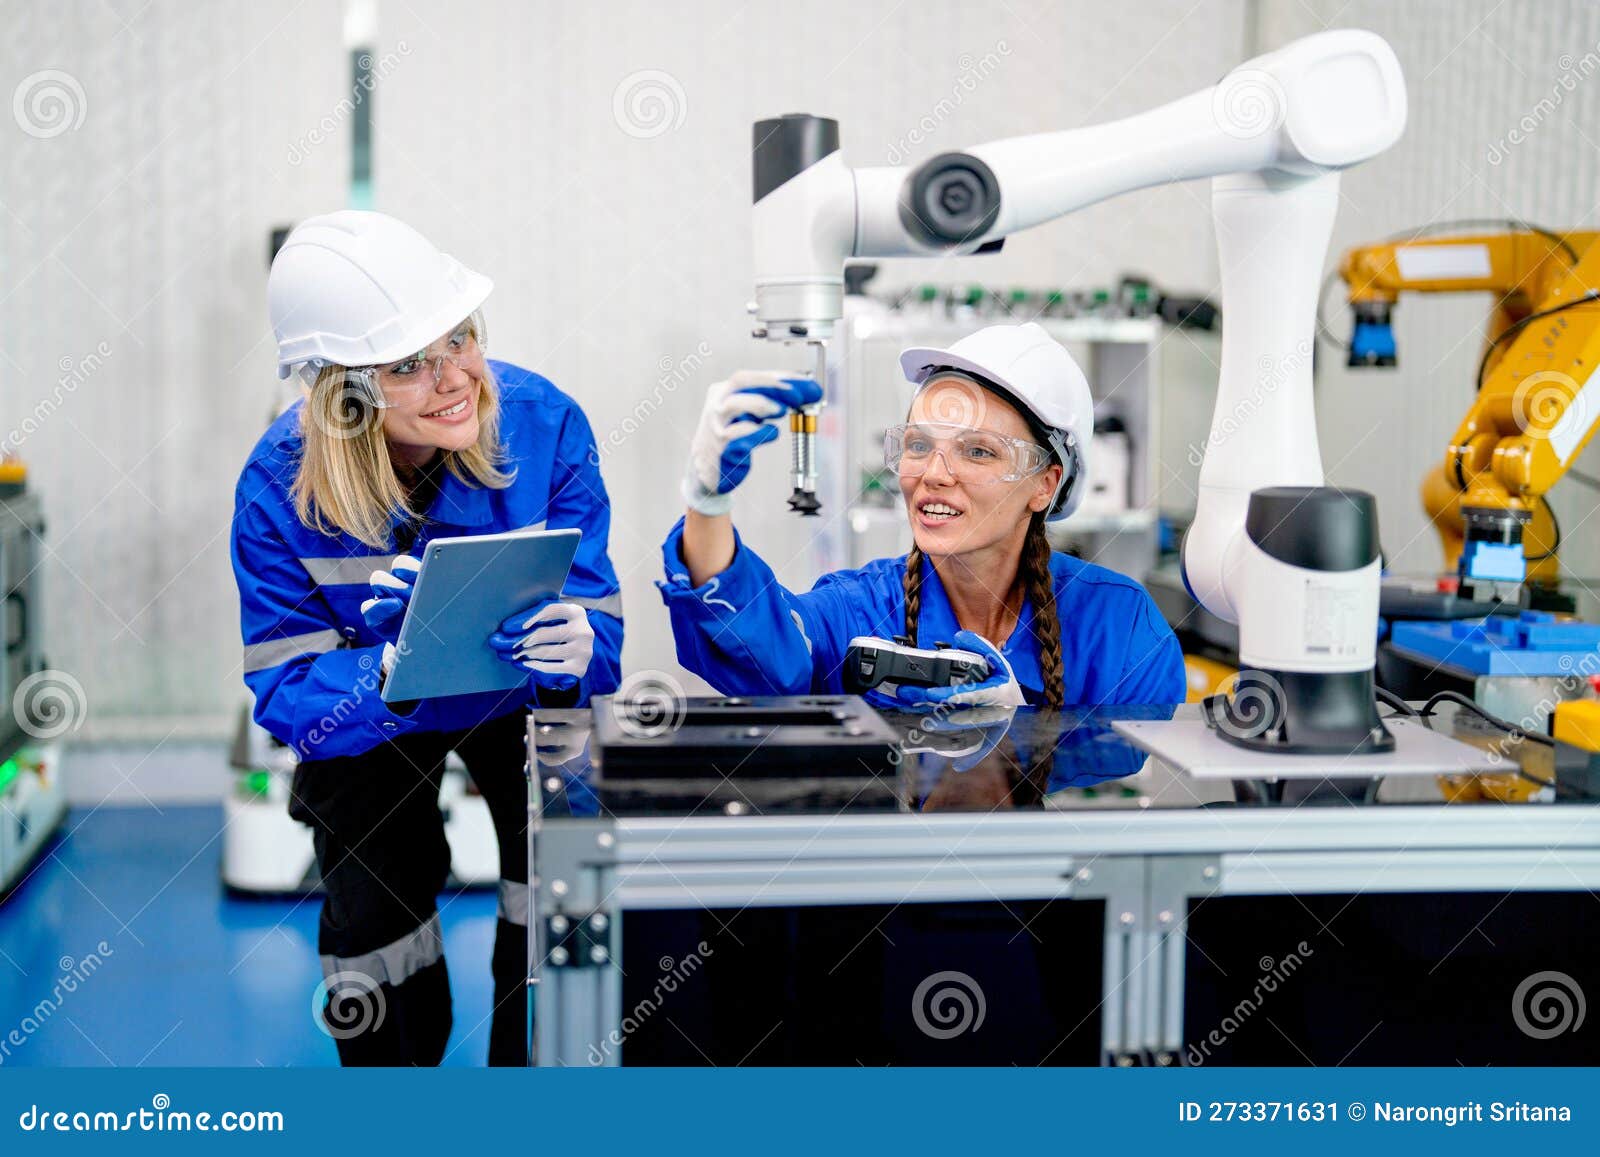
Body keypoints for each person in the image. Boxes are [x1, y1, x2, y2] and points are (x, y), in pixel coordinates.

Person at [231, 211, 622, 1066]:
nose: (455, 379)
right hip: (376, 717)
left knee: (558, 863)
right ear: (344, 393)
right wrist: (391, 672)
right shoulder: (274, 487)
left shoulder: (543, 422)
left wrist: (581, 647)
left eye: (461, 339)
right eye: (410, 363)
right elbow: (285, 687)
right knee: (370, 897)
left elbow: (600, 615)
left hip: (518, 701)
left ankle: (535, 1093)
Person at [659, 321, 1184, 709]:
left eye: (978, 452)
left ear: (1045, 484)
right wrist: (707, 502)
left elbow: (1138, 804)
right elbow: (766, 652)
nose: (934, 473)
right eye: (917, 444)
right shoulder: (860, 609)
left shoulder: (1120, 628)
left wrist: (1018, 743)